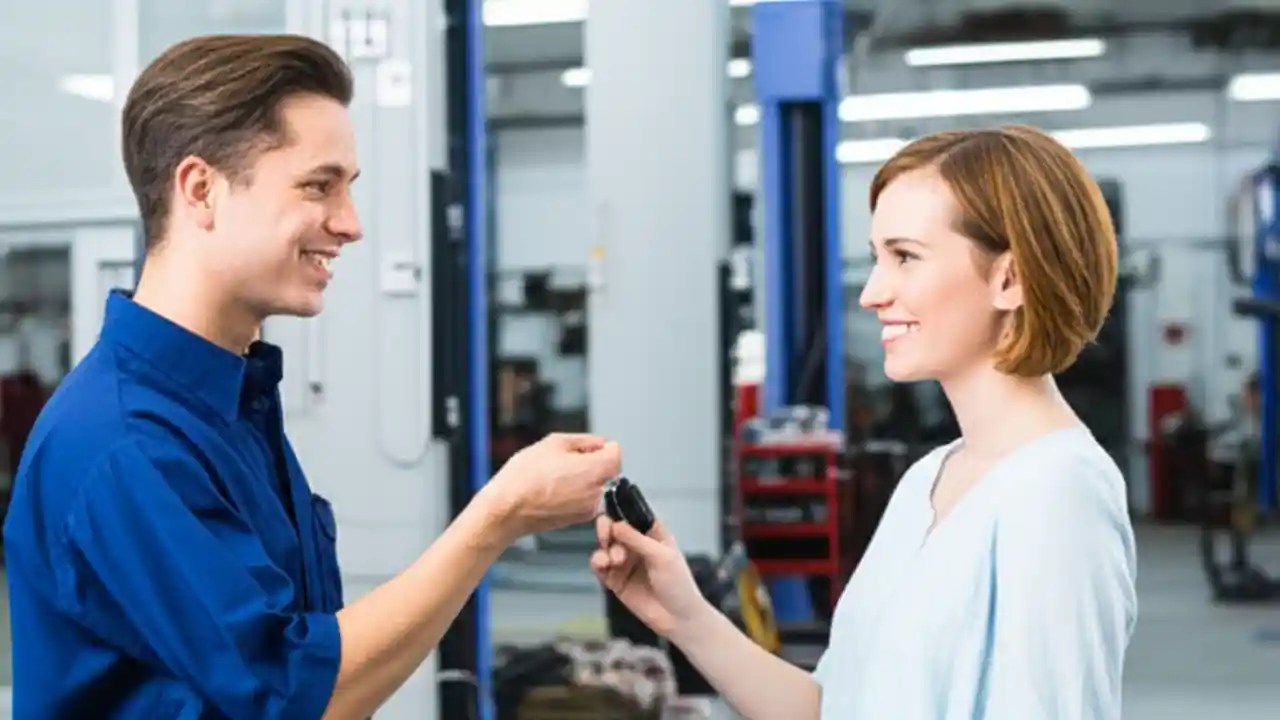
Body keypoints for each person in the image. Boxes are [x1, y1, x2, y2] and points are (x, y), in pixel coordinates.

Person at [2, 34, 621, 719]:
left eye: (348, 189)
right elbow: (297, 695)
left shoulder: (233, 406)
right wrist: (496, 519)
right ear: (201, 190)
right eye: (318, 186)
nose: (350, 225)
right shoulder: (126, 442)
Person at [593, 125, 1138, 719]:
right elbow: (831, 710)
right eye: (878, 258)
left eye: (905, 257)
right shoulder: (931, 479)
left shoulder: (1058, 493)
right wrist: (684, 615)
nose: (872, 293)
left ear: (1010, 278)